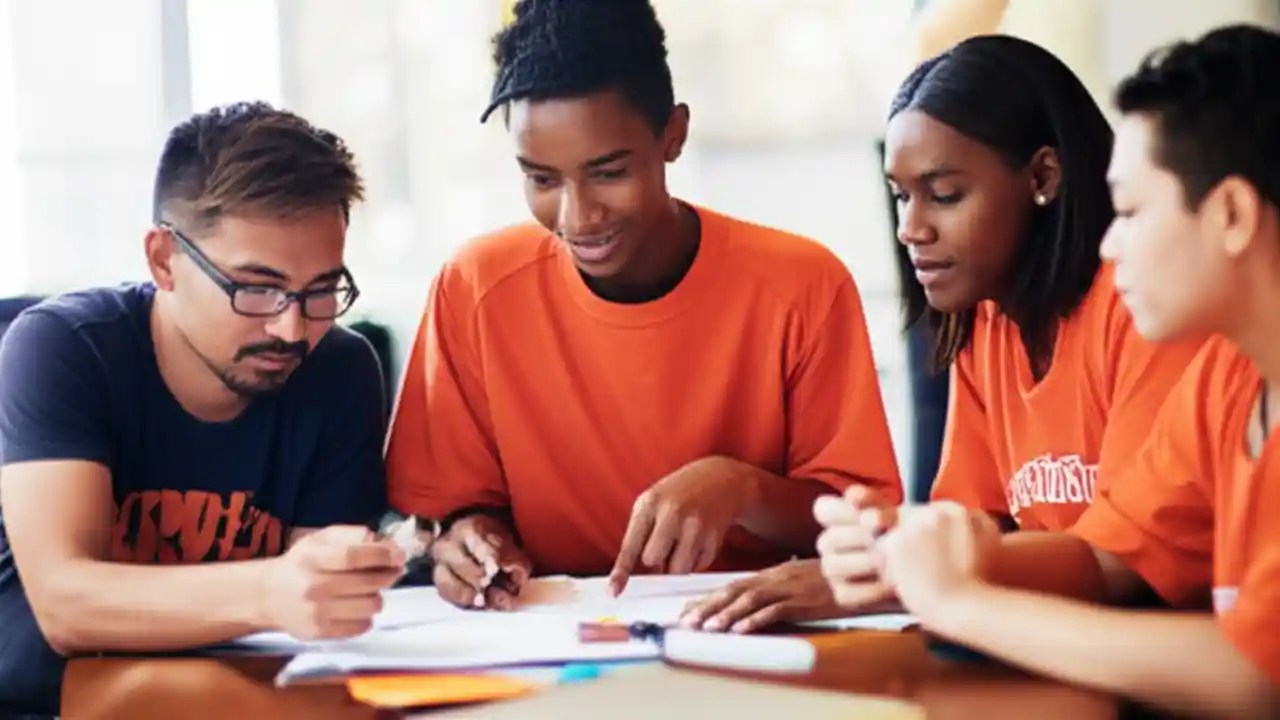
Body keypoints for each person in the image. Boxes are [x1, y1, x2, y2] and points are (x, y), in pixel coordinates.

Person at [384, 0, 901, 624]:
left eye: (608, 173)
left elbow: (861, 531)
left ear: (672, 135)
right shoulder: (473, 287)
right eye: (542, 179)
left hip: (749, 630)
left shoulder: (802, 285)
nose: (577, 217)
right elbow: (450, 511)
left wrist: (742, 488)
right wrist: (469, 540)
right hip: (545, 632)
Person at [820, 25, 1280, 718]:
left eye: (1131, 211)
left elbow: (1256, 676)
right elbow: (1113, 556)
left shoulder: (1168, 338)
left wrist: (959, 600)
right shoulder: (1225, 379)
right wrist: (906, 558)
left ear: (1233, 215)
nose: (1110, 243)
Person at [0, 102, 398, 715]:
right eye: (256, 288)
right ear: (164, 259)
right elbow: (64, 605)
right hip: (49, 697)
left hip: (241, 688)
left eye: (321, 291)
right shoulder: (63, 347)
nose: (291, 329)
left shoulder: (339, 367)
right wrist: (269, 590)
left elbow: (317, 628)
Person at [814, 34, 1208, 614]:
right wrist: (885, 546)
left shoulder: (1142, 306)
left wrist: (901, 569)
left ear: (1043, 177)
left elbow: (1123, 564)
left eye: (944, 195)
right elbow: (978, 524)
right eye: (900, 196)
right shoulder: (986, 318)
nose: (910, 228)